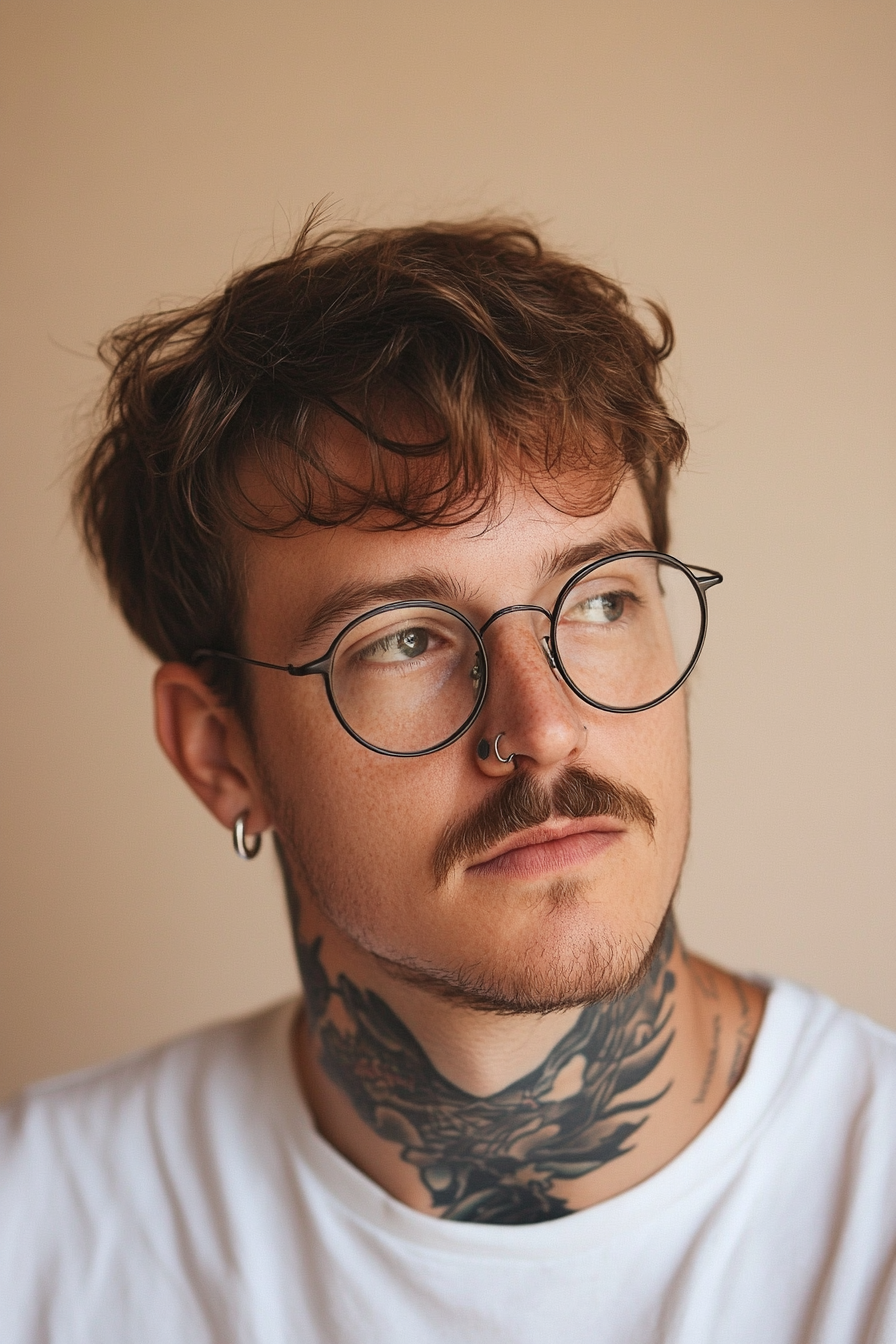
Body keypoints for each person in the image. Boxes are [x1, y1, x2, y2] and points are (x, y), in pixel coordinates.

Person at [1, 218, 894, 1344]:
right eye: (403, 639)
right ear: (221, 754)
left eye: (600, 600)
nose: (545, 725)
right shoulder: (35, 1234)